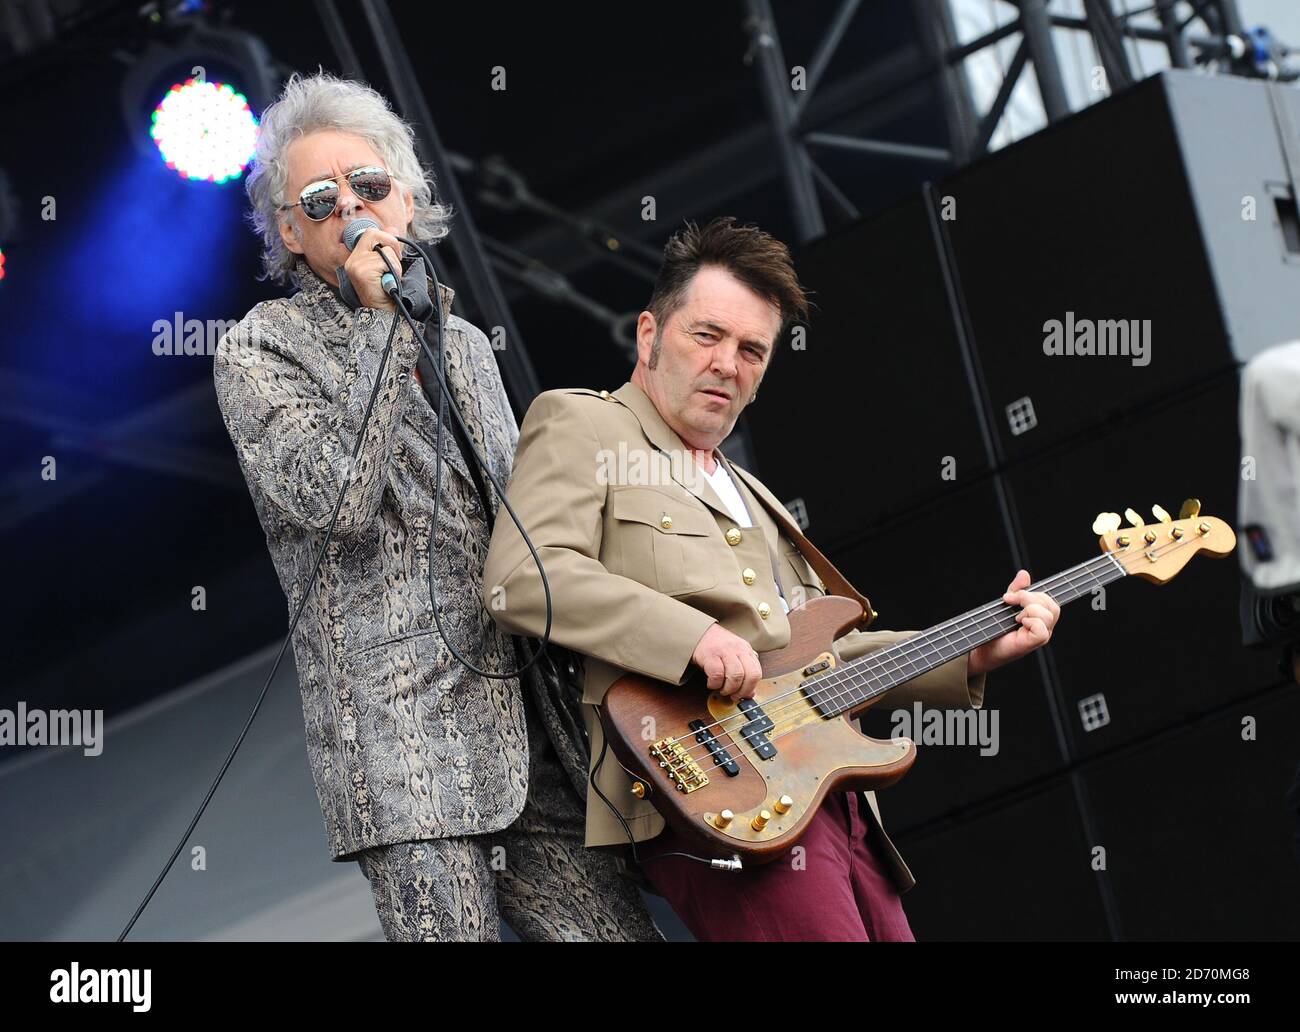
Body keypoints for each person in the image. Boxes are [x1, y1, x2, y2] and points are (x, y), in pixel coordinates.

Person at [481, 216, 1060, 941]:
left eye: (752, 350)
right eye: (707, 335)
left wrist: (973, 653)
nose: (728, 363)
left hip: (832, 795)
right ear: (648, 335)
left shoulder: (752, 492)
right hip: (716, 790)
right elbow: (522, 578)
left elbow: (815, 661)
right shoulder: (584, 426)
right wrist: (690, 637)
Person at [212, 71, 661, 941]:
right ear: (289, 233)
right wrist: (382, 324)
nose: (352, 207)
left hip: (537, 742)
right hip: (407, 756)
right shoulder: (258, 350)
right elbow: (335, 499)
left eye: (369, 186)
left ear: (410, 200)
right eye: (320, 197)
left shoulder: (460, 342)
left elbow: (519, 530)